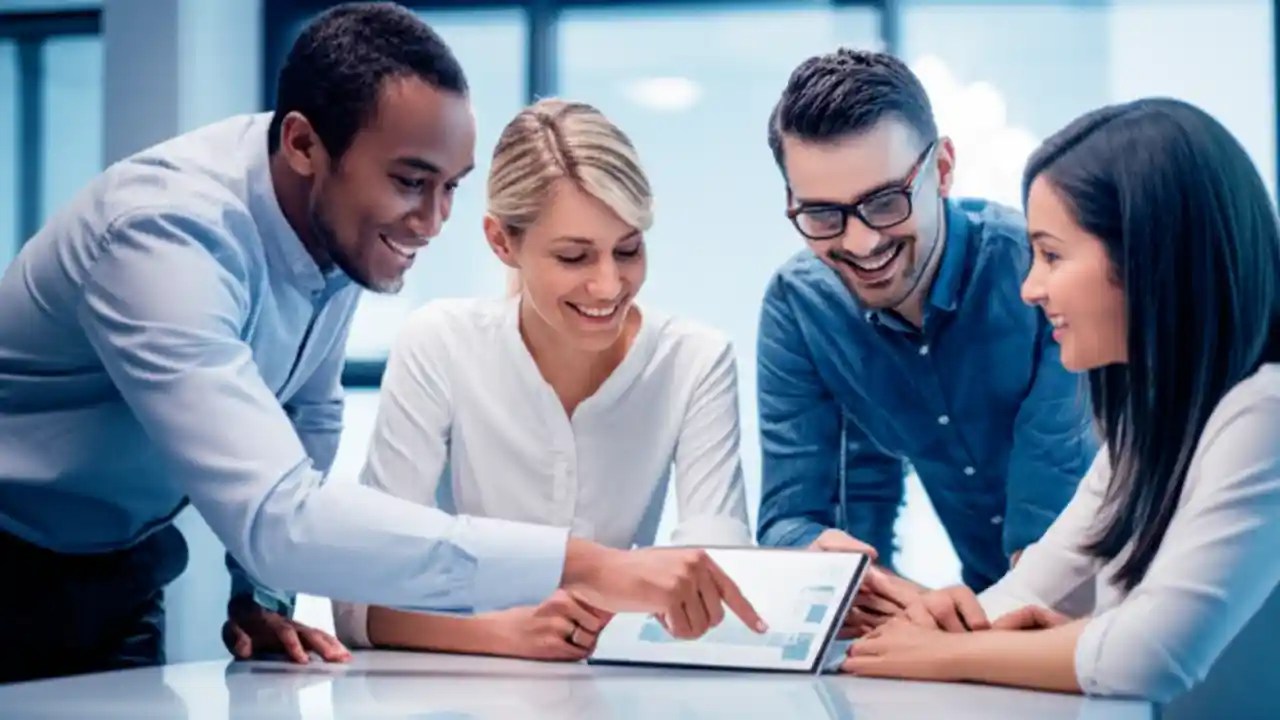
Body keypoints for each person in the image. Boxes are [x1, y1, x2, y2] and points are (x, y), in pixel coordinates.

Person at [0, 2, 761, 683]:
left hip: (122, 567)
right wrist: (589, 564)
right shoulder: (166, 236)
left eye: (450, 187)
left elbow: (303, 415)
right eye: (410, 181)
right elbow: (278, 514)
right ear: (303, 143)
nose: (433, 222)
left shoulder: (326, 228)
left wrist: (260, 593)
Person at [841, 98, 1280, 709]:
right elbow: (1039, 586)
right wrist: (952, 623)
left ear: (1147, 255)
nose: (1030, 288)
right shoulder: (1151, 419)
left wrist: (948, 650)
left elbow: (1151, 656)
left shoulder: (1266, 412)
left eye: (1051, 254)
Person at [331, 98, 753, 661]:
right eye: (575, 258)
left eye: (628, 250)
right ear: (502, 242)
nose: (609, 286)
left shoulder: (695, 359)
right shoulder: (441, 342)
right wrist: (500, 632)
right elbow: (359, 598)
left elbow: (714, 575)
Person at [756, 47, 1097, 636]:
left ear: (941, 169)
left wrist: (938, 626)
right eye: (821, 215)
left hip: (1098, 613)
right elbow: (797, 519)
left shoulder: (1040, 281)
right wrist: (825, 562)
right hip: (969, 623)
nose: (861, 243)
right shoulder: (801, 306)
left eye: (885, 203)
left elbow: (1050, 542)